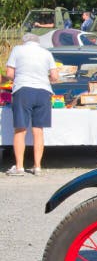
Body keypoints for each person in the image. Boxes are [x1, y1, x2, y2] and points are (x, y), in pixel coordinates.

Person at [3, 33, 58, 176]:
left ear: (24, 41)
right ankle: (37, 166)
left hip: (23, 90)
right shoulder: (47, 53)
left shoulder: (17, 50)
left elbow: (9, 73)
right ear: (38, 42)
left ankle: (20, 167)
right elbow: (55, 76)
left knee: (20, 130)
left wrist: (22, 76)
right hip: (44, 91)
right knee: (38, 130)